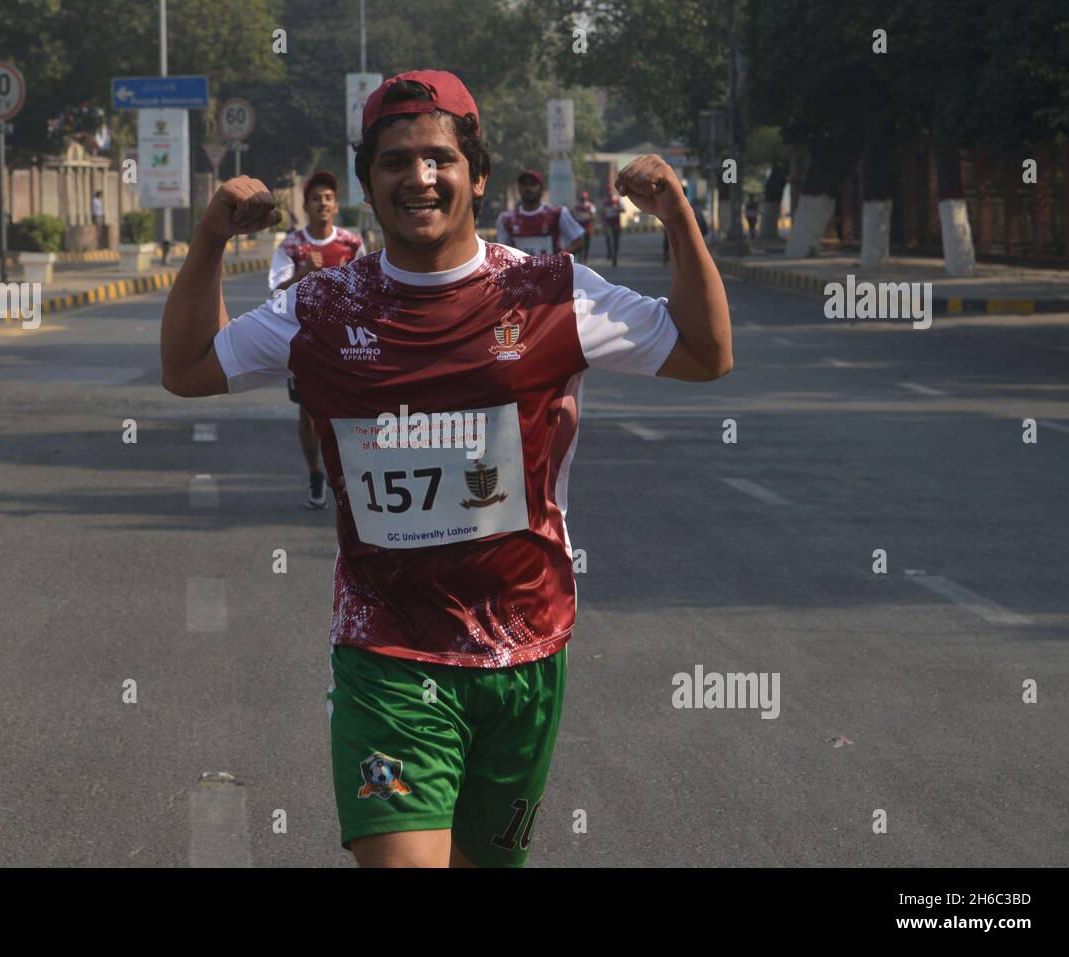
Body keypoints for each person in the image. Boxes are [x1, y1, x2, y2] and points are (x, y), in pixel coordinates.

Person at [160, 69, 732, 868]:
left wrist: (677, 217)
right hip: (386, 652)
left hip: (524, 654)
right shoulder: (324, 309)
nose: (419, 177)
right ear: (368, 184)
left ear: (477, 174)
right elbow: (187, 366)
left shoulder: (548, 294)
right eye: (395, 162)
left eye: (439, 158)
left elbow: (707, 352)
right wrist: (211, 237)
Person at [267, 170, 367, 508]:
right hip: (306, 340)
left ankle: (349, 476)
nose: (322, 203)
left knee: (351, 410)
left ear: (335, 205)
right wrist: (303, 273)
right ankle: (315, 473)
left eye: (328, 198)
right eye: (315, 198)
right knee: (309, 412)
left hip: (347, 343)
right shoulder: (292, 245)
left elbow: (368, 288)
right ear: (306, 205)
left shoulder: (352, 244)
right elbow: (276, 296)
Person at [494, 170, 586, 260]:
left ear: (541, 188)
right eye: (524, 185)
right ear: (519, 189)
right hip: (521, 274)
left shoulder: (558, 213)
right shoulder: (506, 219)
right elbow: (502, 251)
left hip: (550, 273)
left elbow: (579, 241)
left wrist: (559, 259)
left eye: (533, 184)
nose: (528, 188)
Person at [600, 186, 624, 266]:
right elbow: (602, 212)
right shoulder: (605, 201)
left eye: (610, 191)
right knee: (609, 239)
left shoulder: (617, 200)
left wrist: (616, 208)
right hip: (608, 224)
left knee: (616, 240)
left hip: (616, 223)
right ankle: (611, 253)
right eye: (608, 192)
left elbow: (623, 209)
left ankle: (615, 254)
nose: (609, 193)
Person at [571, 190, 597, 263]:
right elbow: (573, 214)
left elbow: (594, 216)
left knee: (587, 243)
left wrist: (588, 217)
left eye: (584, 198)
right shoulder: (577, 206)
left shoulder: (590, 205)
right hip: (579, 229)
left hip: (588, 227)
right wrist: (577, 217)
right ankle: (581, 257)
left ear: (587, 198)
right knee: (580, 243)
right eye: (582, 198)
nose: (583, 199)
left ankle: (585, 257)